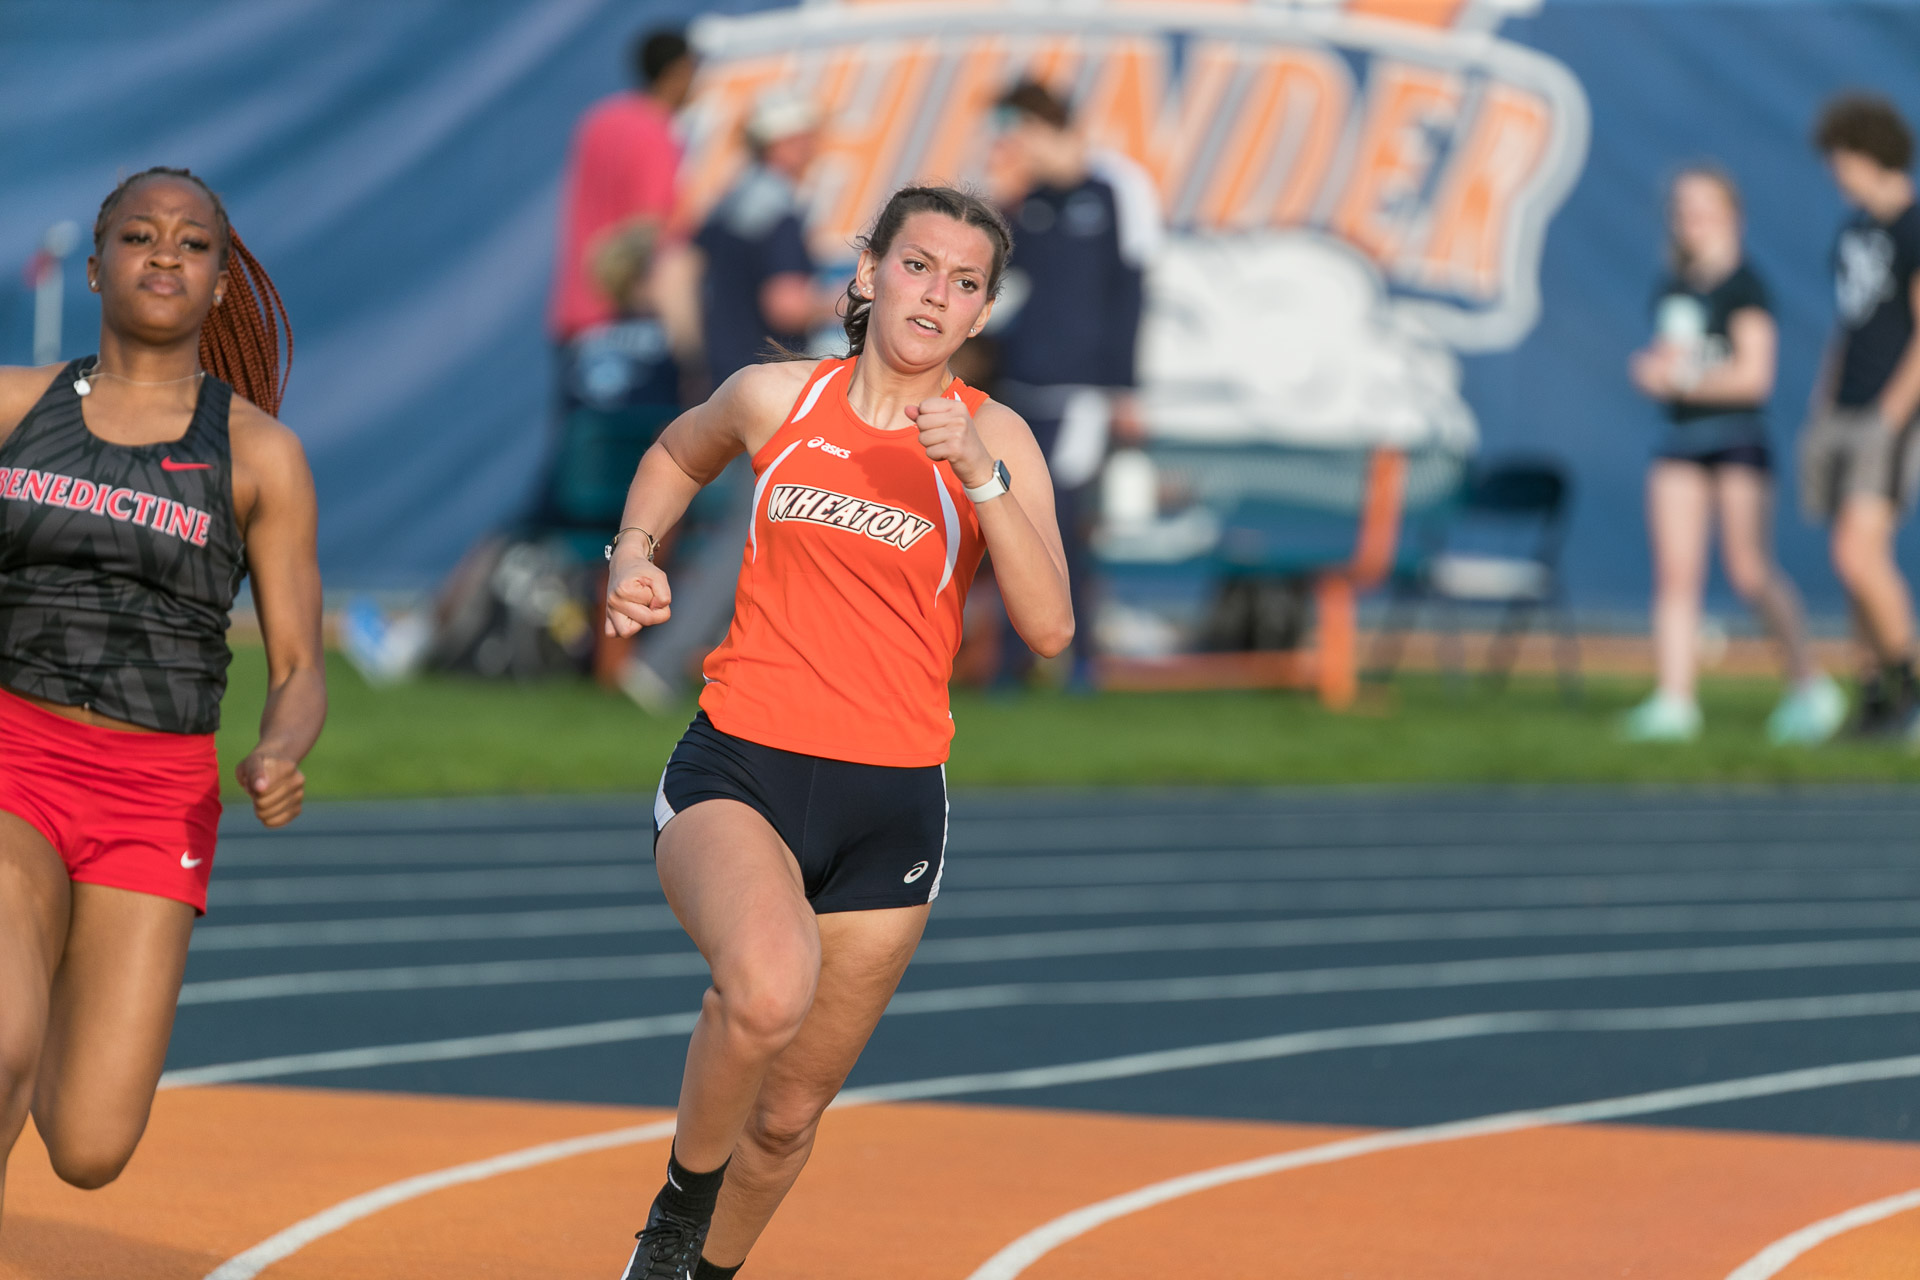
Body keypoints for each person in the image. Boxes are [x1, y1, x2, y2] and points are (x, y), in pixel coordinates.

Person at [602, 185, 1070, 1280]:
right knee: (767, 987)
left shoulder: (998, 436)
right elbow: (676, 453)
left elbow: (1050, 625)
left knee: (786, 1119)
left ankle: (707, 1273)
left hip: (890, 805)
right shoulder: (777, 397)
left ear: (983, 311)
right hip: (743, 765)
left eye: (964, 282)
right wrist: (633, 552)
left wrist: (980, 475)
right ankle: (672, 1225)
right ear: (868, 274)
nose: (935, 294)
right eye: (918, 266)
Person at [0, 167, 323, 1225]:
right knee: (0, 1039)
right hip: (14, 754)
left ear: (222, 282)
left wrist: (280, 748)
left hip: (154, 795)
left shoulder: (259, 455)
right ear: (97, 267)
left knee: (90, 1145)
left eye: (191, 243)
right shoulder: (14, 407)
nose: (164, 255)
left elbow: (298, 667)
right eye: (139, 236)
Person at [618, 90, 838, 711]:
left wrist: (700, 358)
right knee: (753, 534)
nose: (813, 148)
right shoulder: (779, 212)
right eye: (805, 137)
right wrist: (860, 302)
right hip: (770, 392)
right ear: (785, 143)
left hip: (726, 384)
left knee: (753, 530)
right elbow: (787, 304)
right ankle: (662, 663)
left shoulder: (730, 204)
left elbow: (677, 278)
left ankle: (722, 662)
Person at [1621, 167, 1843, 744]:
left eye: (1704, 208)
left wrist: (1682, 382)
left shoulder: (1747, 287)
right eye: (1683, 208)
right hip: (1679, 440)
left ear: (1730, 215)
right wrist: (1651, 371)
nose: (1691, 220)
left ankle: (1809, 686)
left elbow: (1753, 377)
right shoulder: (1673, 287)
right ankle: (1674, 701)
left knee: (1749, 569)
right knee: (1675, 573)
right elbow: (1669, 355)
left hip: (1736, 439)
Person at [986, 79, 1148, 691]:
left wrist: (1125, 391)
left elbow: (1131, 295)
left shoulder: (1115, 191)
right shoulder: (1026, 205)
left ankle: (1079, 660)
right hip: (1021, 387)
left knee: (1060, 520)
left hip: (1081, 394)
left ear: (1040, 128)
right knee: (1006, 517)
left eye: (1016, 134)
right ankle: (1009, 662)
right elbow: (997, 284)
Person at [1804, 94, 1920, 737]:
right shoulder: (1855, 231)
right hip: (1845, 407)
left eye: (1840, 157)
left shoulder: (1912, 227)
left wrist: (1891, 414)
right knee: (1847, 562)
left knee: (1859, 553)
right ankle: (1874, 694)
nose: (1834, 171)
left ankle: (1910, 684)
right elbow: (1850, 325)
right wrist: (1824, 405)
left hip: (1891, 414)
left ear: (1869, 153)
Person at [549, 28, 697, 347]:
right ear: (679, 71)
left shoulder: (598, 121)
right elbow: (647, 226)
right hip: (626, 323)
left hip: (576, 319)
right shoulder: (655, 131)